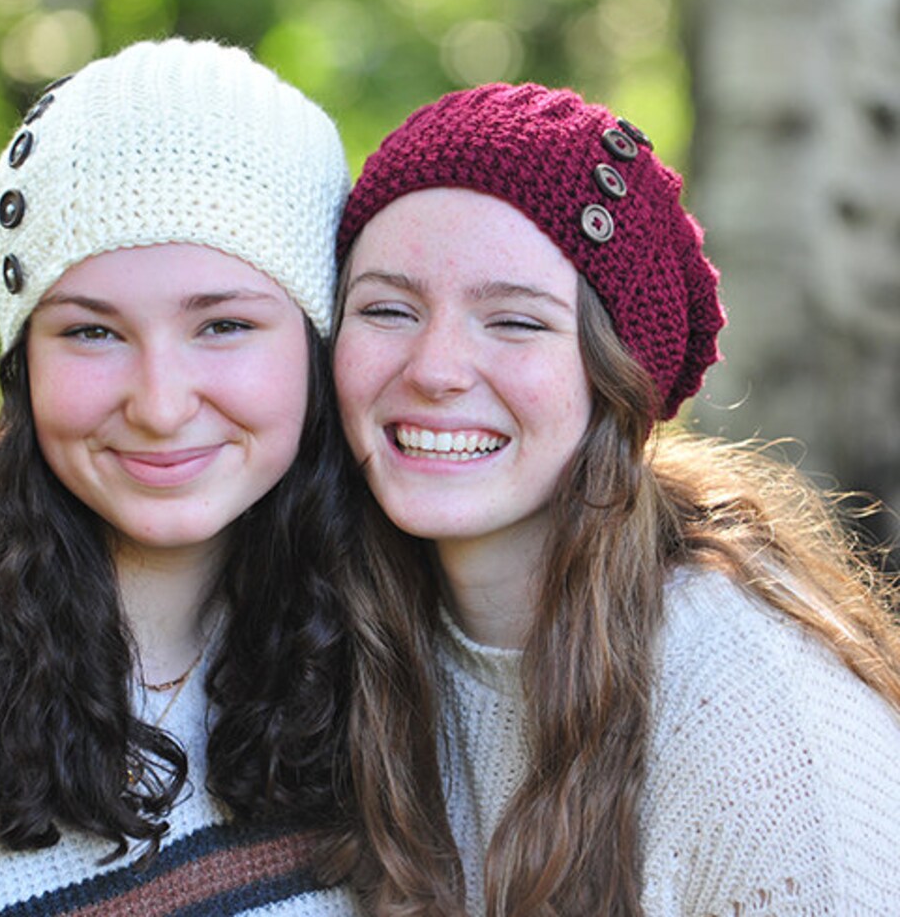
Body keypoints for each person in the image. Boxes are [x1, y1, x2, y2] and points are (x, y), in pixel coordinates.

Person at [0, 37, 361, 915]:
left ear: (315, 344)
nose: (158, 402)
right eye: (91, 332)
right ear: (21, 361)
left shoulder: (392, 635)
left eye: (222, 325)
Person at [331, 83, 900, 916]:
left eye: (515, 322)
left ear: (614, 380)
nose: (434, 368)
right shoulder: (343, 626)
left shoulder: (756, 725)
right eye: (386, 308)